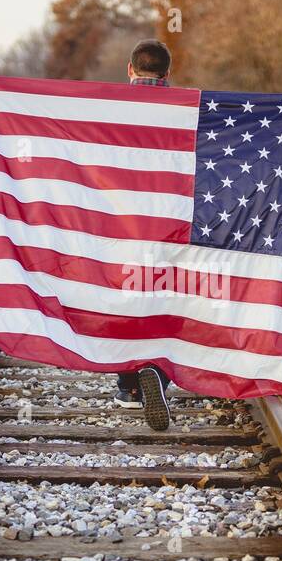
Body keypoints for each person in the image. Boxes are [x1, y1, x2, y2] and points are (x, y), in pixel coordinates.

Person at [113, 39, 174, 431]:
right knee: (165, 299)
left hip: (121, 224)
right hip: (168, 223)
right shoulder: (187, 110)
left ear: (130, 70)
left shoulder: (110, 109)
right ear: (168, 75)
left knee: (125, 300)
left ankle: (128, 386)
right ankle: (159, 375)